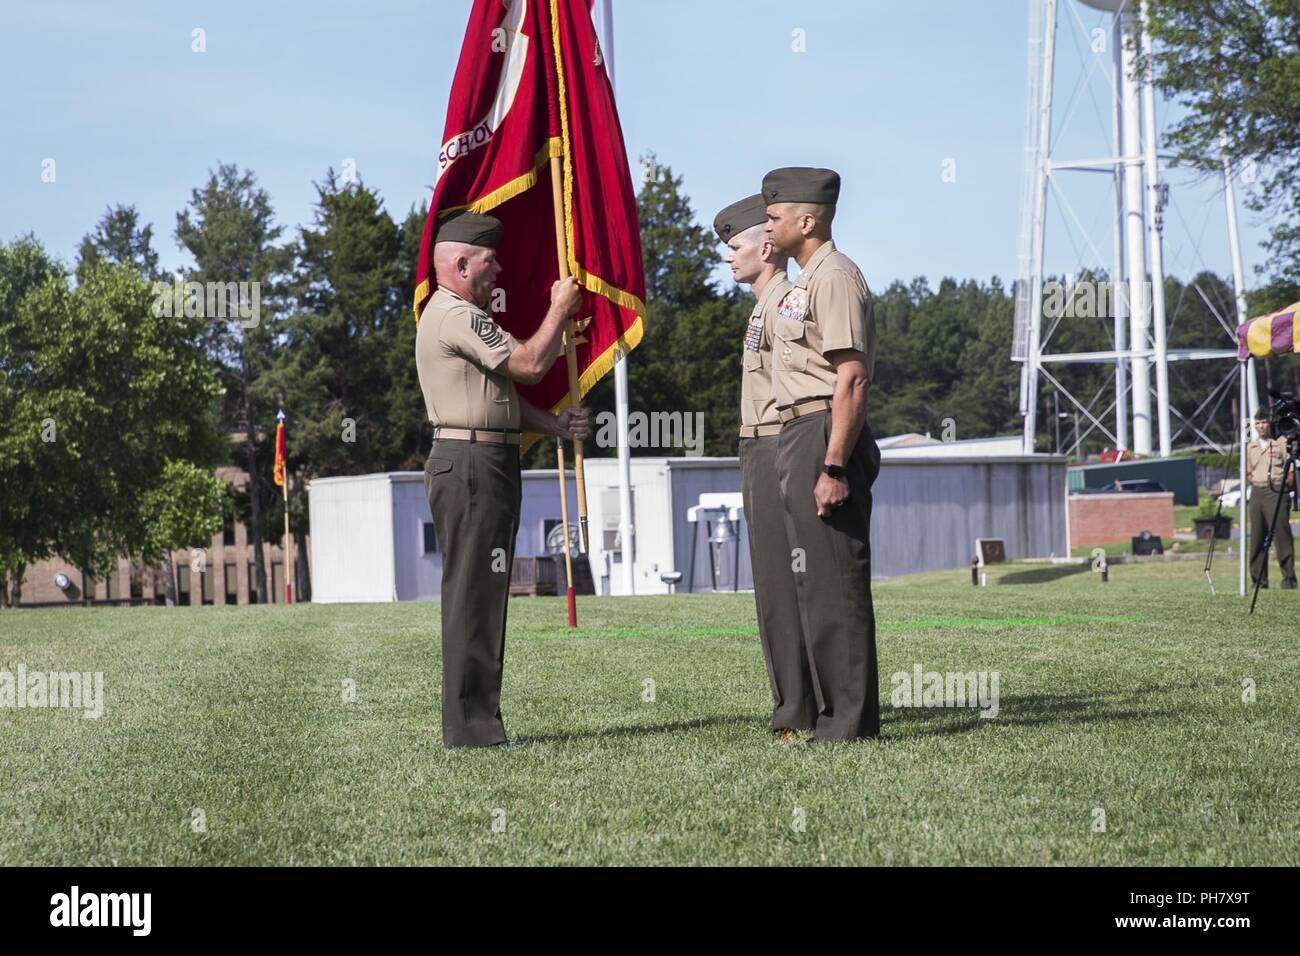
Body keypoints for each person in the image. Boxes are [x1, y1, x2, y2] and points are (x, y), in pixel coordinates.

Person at [415, 210, 589, 747]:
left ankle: (477, 723)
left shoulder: (459, 315)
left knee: (483, 593)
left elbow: (501, 398)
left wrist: (553, 425)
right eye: (490, 261)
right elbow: (530, 366)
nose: (500, 269)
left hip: (481, 460)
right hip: (470, 465)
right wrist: (559, 309)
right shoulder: (457, 315)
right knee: (473, 595)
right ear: (462, 263)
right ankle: (471, 730)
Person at [762, 166, 881, 742]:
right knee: (815, 585)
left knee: (835, 582)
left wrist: (833, 465)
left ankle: (849, 724)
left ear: (806, 221)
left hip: (823, 432)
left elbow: (852, 379)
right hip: (797, 431)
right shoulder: (806, 281)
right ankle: (836, 716)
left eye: (775, 215)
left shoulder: (834, 277)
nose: (768, 223)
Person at [713, 194, 816, 740]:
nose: (728, 257)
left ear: (767, 246)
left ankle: (798, 711)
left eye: (735, 246)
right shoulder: (763, 306)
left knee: (787, 586)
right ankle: (794, 707)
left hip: (780, 446)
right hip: (761, 448)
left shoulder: (785, 304)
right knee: (776, 588)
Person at [1246, 407, 1296, 589]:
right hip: (1257, 492)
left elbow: (1290, 471)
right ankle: (1259, 580)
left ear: (1270, 423)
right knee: (1257, 537)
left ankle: (1288, 579)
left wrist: (1284, 486)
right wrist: (1255, 481)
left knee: (1282, 536)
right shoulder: (1250, 447)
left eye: (1264, 422)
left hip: (1276, 491)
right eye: (1257, 423)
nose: (1261, 426)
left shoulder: (1281, 444)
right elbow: (1248, 472)